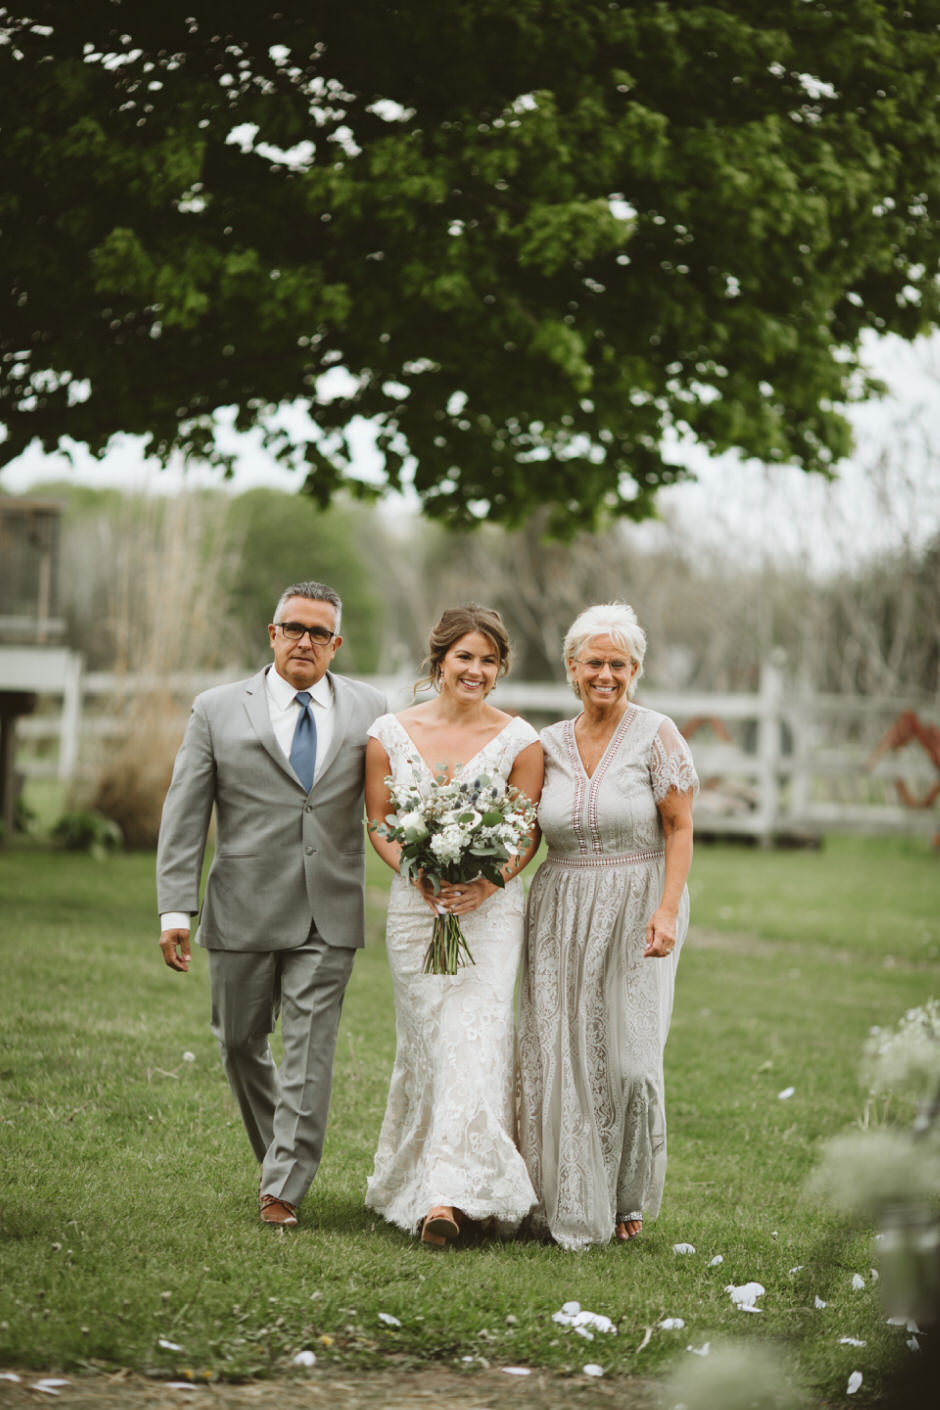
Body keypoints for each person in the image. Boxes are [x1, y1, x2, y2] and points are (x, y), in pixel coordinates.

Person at [156, 581, 386, 1227]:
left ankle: (283, 1187)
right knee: (238, 1042)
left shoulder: (373, 708)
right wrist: (176, 910)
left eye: (319, 633)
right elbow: (184, 812)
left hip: (330, 906)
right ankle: (277, 1159)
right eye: (294, 628)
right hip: (242, 904)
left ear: (336, 644)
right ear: (272, 633)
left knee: (310, 1047)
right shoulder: (217, 708)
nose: (304, 641)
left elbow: (393, 798)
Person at [516, 603, 698, 1250]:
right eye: (594, 662)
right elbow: (526, 837)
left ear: (635, 669)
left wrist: (668, 909)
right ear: (572, 667)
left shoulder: (657, 734)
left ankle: (627, 1194)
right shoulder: (548, 744)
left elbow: (679, 828)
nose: (606, 674)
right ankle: (563, 1195)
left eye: (618, 663)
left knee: (630, 1062)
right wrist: (474, 877)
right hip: (560, 908)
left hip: (637, 904)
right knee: (563, 1051)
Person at [365, 605, 543, 1248]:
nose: (476, 670)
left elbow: (526, 832)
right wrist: (416, 873)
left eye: (488, 660)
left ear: (499, 671)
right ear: (439, 659)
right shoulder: (388, 731)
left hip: (491, 915)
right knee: (428, 1043)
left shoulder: (520, 741)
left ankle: (449, 1198)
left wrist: (488, 881)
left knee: (475, 1040)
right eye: (465, 656)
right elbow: (380, 820)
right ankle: (418, 1178)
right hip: (417, 912)